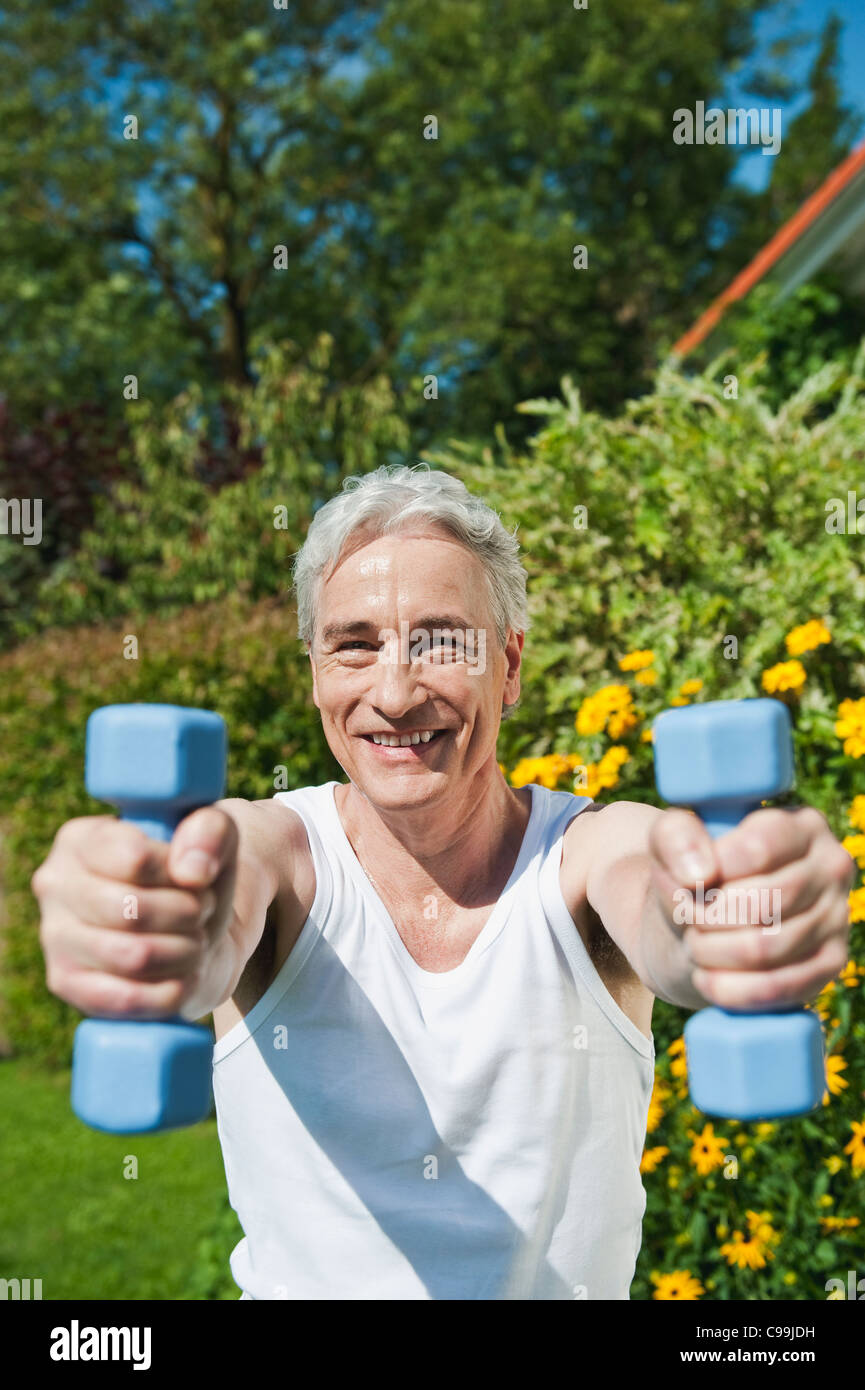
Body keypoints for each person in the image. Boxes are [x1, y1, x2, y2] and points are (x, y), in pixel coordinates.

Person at [33, 464, 854, 1300]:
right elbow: (213, 898)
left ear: (508, 667)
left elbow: (657, 889)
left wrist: (724, 910)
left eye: (440, 642)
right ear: (316, 673)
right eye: (354, 645)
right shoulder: (275, 856)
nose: (393, 693)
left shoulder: (581, 859)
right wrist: (147, 916)